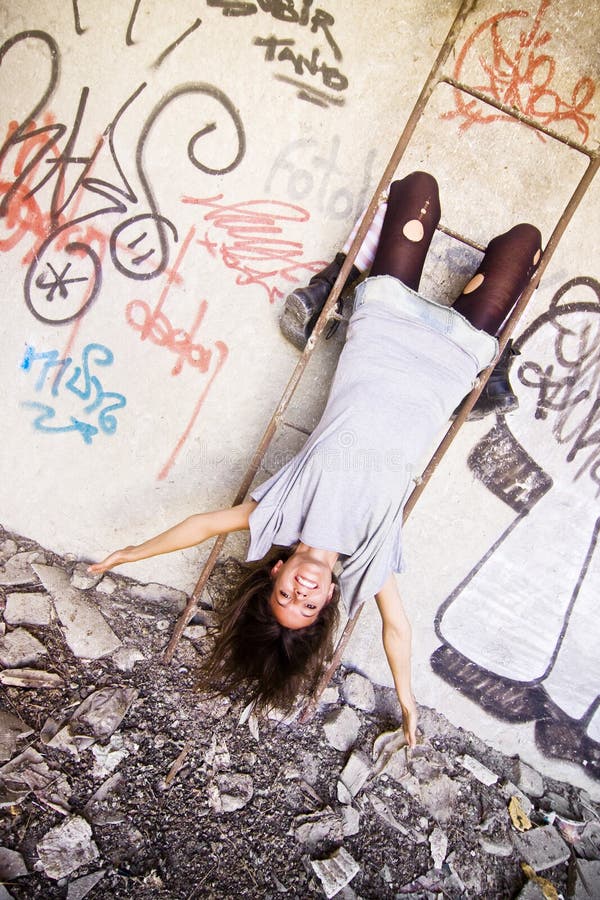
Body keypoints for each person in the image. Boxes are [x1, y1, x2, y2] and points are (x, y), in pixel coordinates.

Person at [89, 172, 542, 747]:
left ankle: (342, 276)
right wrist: (407, 703)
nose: (301, 591)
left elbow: (202, 525)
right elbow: (397, 627)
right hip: (457, 351)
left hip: (384, 320)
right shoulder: (366, 560)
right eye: (307, 604)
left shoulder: (278, 516)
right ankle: (495, 358)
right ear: (327, 600)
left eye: (285, 595)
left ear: (274, 573)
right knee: (525, 242)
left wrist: (132, 552)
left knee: (419, 188)